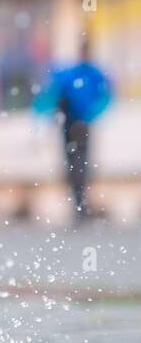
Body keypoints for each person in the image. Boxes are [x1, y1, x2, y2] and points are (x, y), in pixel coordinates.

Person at [38, 46, 112, 222]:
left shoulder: (71, 75)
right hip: (80, 124)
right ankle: (80, 201)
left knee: (74, 161)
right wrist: (89, 116)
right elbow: (104, 98)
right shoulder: (92, 74)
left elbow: (52, 96)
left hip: (71, 123)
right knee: (81, 161)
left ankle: (79, 200)